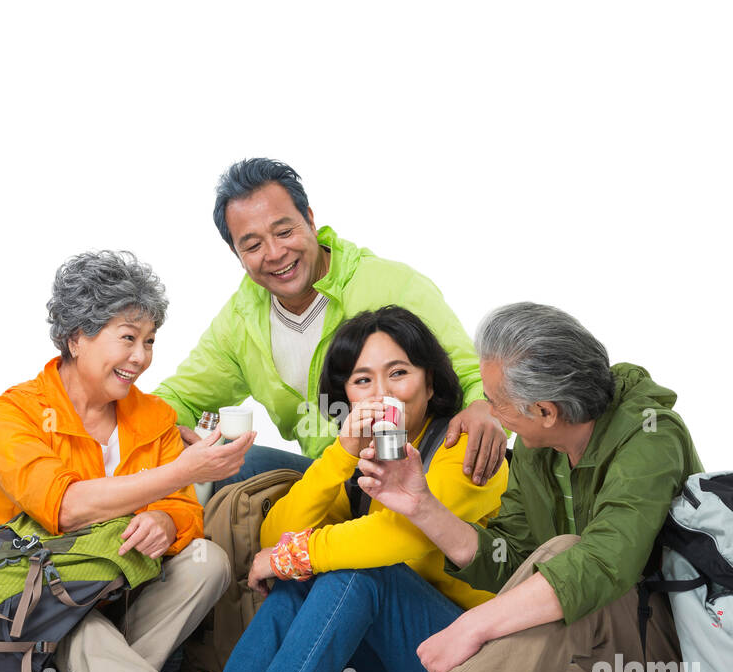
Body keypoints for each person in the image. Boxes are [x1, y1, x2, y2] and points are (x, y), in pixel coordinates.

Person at [305, 303, 703, 672]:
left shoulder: (649, 435)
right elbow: (507, 556)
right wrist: (423, 508)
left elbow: (602, 565)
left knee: (566, 555)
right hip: (593, 669)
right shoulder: (541, 449)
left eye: (496, 402)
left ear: (546, 411)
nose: (487, 413)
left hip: (669, 660)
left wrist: (473, 627)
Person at [152, 306, 509, 672]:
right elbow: (278, 533)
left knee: (360, 566)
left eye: (398, 373)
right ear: (344, 394)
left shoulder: (462, 445)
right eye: (362, 381)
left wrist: (286, 558)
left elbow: (396, 538)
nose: (381, 393)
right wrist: (339, 455)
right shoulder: (359, 455)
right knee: (320, 563)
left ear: (431, 382)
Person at [0, 250, 251, 672]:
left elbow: (186, 513)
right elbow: (66, 506)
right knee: (75, 619)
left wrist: (167, 523)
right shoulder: (12, 415)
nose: (142, 357)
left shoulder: (154, 416)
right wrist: (182, 470)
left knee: (207, 559)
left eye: (149, 341)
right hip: (36, 600)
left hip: (120, 590)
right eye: (128, 338)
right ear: (77, 337)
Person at [153, 158, 508, 492]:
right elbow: (178, 397)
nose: (275, 253)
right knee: (227, 468)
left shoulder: (393, 285)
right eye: (253, 244)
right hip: (329, 478)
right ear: (236, 254)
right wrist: (168, 439)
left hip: (414, 468)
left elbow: (474, 377)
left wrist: (482, 406)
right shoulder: (239, 321)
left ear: (309, 219)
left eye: (284, 231)